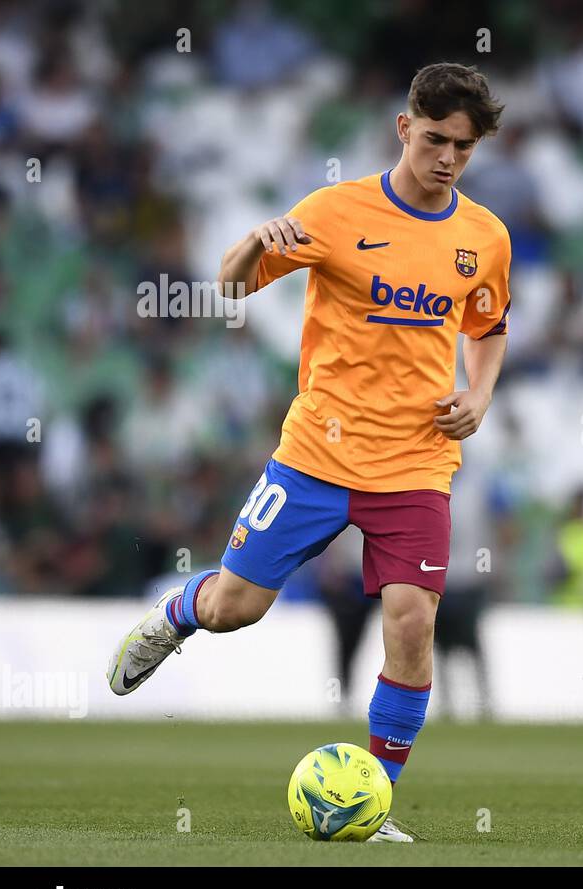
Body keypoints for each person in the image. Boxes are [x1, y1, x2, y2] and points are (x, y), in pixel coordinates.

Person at [105, 63, 510, 844]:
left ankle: (375, 799)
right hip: (315, 457)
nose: (448, 158)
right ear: (404, 128)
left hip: (416, 463)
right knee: (235, 609)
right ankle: (175, 616)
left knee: (411, 623)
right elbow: (231, 287)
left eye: (464, 146)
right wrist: (255, 242)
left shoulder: (484, 236)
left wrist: (481, 392)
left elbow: (487, 327)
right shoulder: (335, 211)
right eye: (435, 139)